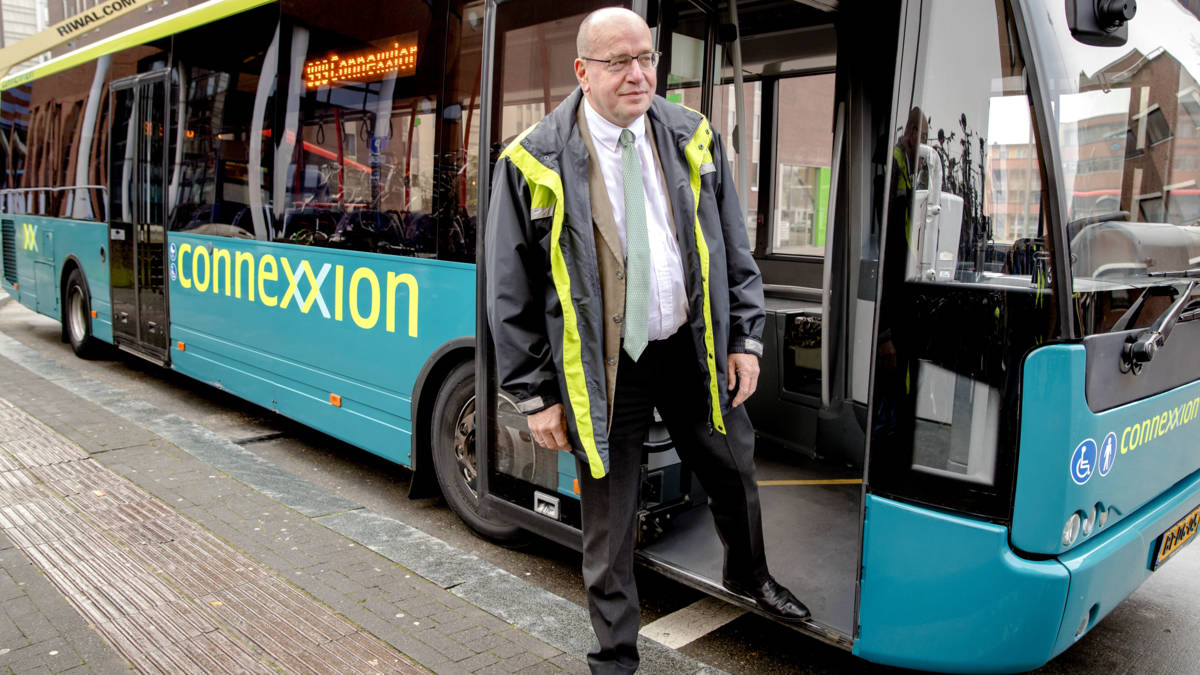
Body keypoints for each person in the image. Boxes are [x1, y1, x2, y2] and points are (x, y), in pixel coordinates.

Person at [485, 7, 808, 672]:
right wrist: (534, 395)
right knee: (610, 517)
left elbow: (732, 248)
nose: (638, 75)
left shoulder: (692, 135)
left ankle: (750, 575)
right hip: (607, 370)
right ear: (583, 71)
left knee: (734, 468)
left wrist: (744, 336)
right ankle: (614, 655)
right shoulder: (531, 161)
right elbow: (508, 292)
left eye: (647, 59)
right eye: (618, 63)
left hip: (688, 349)